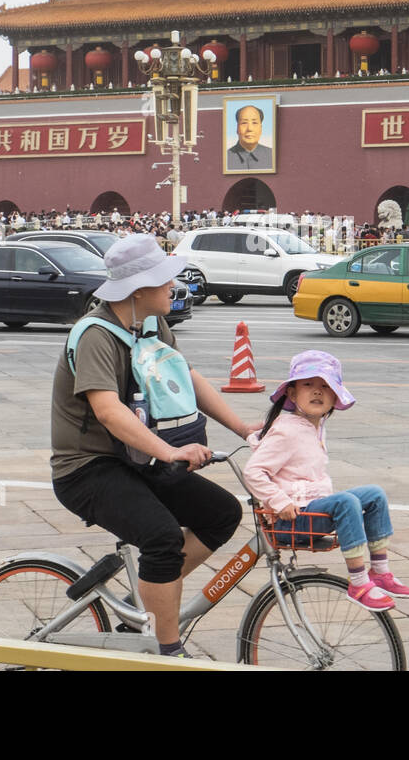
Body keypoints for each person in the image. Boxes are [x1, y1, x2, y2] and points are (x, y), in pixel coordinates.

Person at [50, 235, 259, 657]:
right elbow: (109, 411)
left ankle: (149, 595)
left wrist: (243, 428)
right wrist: (170, 453)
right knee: (162, 537)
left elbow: (188, 377)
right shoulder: (95, 335)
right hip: (88, 468)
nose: (173, 286)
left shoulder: (151, 323)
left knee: (222, 513)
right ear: (138, 289)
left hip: (138, 457)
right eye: (165, 280)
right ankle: (168, 652)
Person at [243, 351, 409, 612]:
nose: (317, 392)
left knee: (375, 494)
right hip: (292, 519)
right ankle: (358, 582)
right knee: (346, 501)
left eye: (326, 386)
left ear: (335, 397)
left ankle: (379, 572)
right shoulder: (287, 430)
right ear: (291, 394)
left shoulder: (314, 425)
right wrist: (279, 502)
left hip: (312, 510)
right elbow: (253, 471)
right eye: (308, 385)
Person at [225, 104, 274, 171]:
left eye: (254, 123)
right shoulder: (225, 158)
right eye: (244, 123)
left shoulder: (272, 156)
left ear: (261, 129)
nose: (250, 128)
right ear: (237, 128)